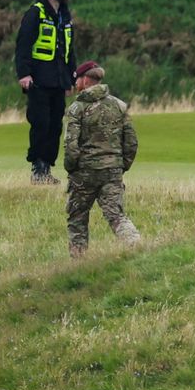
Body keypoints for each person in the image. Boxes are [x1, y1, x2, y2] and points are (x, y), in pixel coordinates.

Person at [63, 60, 141, 257]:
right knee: (116, 215)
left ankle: (78, 263)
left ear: (85, 80)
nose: (75, 83)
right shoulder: (119, 106)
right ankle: (135, 244)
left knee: (77, 218)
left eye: (77, 80)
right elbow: (131, 142)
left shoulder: (76, 108)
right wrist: (121, 166)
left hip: (84, 173)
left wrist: (71, 169)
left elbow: (71, 146)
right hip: (112, 170)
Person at [15, 0, 76, 184]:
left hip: (59, 80)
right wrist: (24, 73)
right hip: (38, 80)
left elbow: (70, 50)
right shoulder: (36, 12)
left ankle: (47, 168)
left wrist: (71, 78)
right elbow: (23, 45)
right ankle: (38, 169)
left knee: (55, 125)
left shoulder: (65, 15)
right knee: (40, 123)